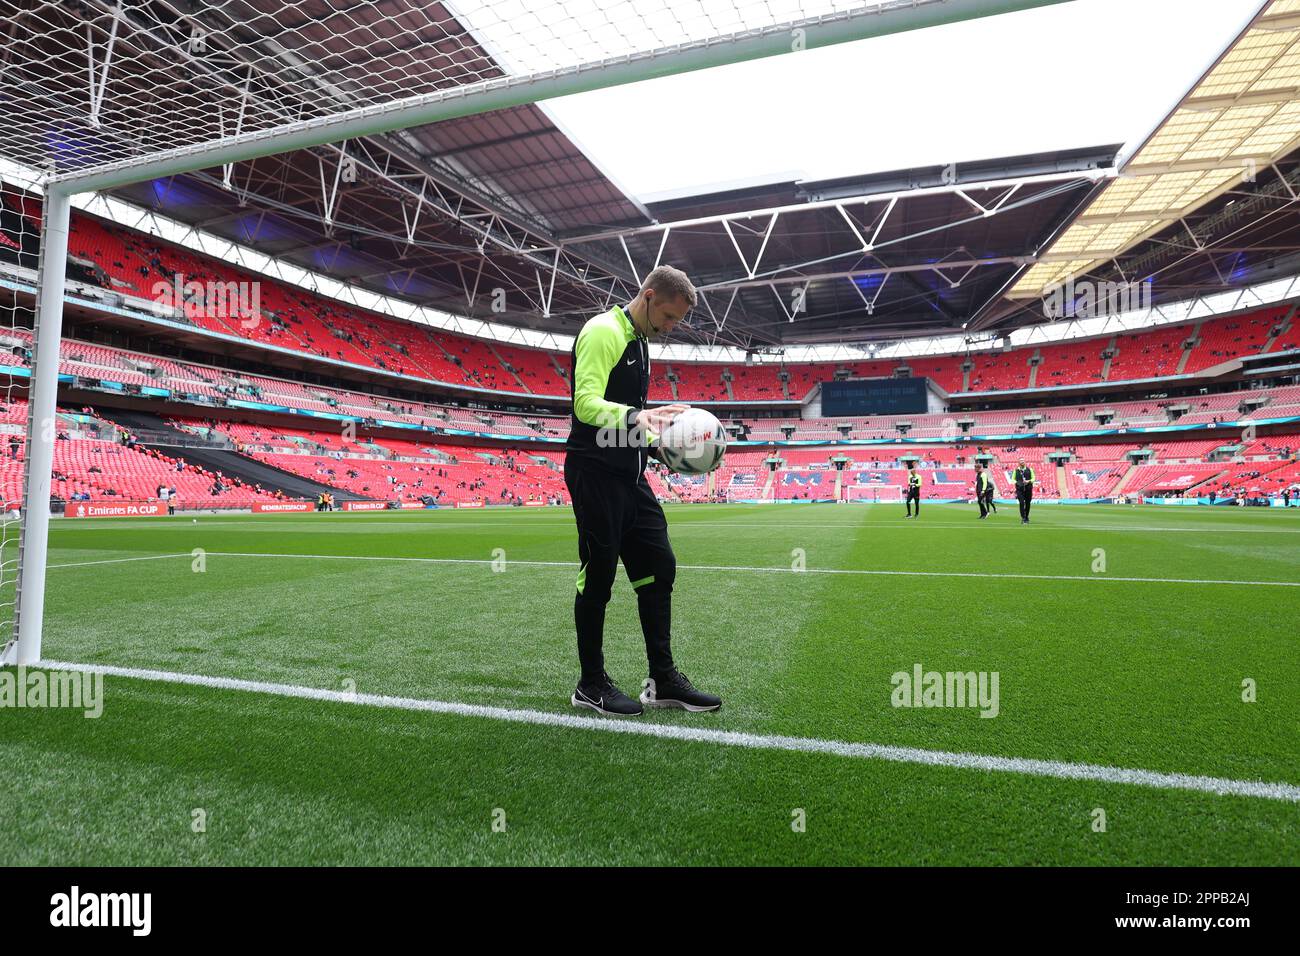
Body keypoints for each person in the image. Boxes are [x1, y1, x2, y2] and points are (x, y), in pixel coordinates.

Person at [564, 265, 721, 717]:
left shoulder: (641, 340)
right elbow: (585, 404)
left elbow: (631, 421)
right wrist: (638, 417)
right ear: (649, 296)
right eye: (670, 317)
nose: (672, 328)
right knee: (598, 575)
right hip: (594, 474)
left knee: (659, 565)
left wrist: (663, 447)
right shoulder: (602, 332)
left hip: (630, 477)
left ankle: (663, 679)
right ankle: (590, 683)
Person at [1013, 457, 1036, 524]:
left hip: (1028, 488)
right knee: (1021, 503)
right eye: (1020, 461)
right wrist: (1017, 482)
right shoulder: (1016, 470)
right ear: (1019, 463)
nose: (1022, 462)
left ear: (1025, 462)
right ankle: (1023, 517)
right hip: (1019, 489)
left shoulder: (1030, 469)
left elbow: (1033, 478)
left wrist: (1028, 481)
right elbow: (1013, 479)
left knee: (1028, 503)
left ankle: (1026, 517)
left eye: (1023, 461)